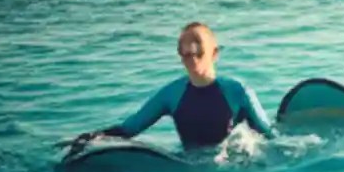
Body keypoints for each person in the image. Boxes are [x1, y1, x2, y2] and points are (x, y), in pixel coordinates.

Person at [71, 22, 274, 149]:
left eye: (198, 50)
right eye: (186, 52)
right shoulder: (171, 94)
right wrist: (94, 137)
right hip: (190, 164)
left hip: (231, 167)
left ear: (215, 53)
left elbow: (270, 137)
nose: (192, 56)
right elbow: (130, 128)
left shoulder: (238, 92)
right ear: (180, 55)